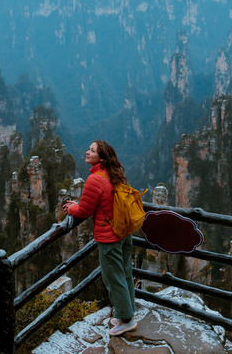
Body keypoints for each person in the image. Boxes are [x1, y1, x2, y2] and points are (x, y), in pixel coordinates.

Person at [63, 140, 137, 336]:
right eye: (88, 148)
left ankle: (126, 319)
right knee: (125, 273)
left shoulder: (95, 179)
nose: (87, 152)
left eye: (92, 150)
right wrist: (80, 203)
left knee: (113, 278)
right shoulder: (115, 175)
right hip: (124, 233)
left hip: (109, 238)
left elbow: (85, 211)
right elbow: (101, 201)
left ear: (101, 157)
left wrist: (72, 208)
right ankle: (128, 312)